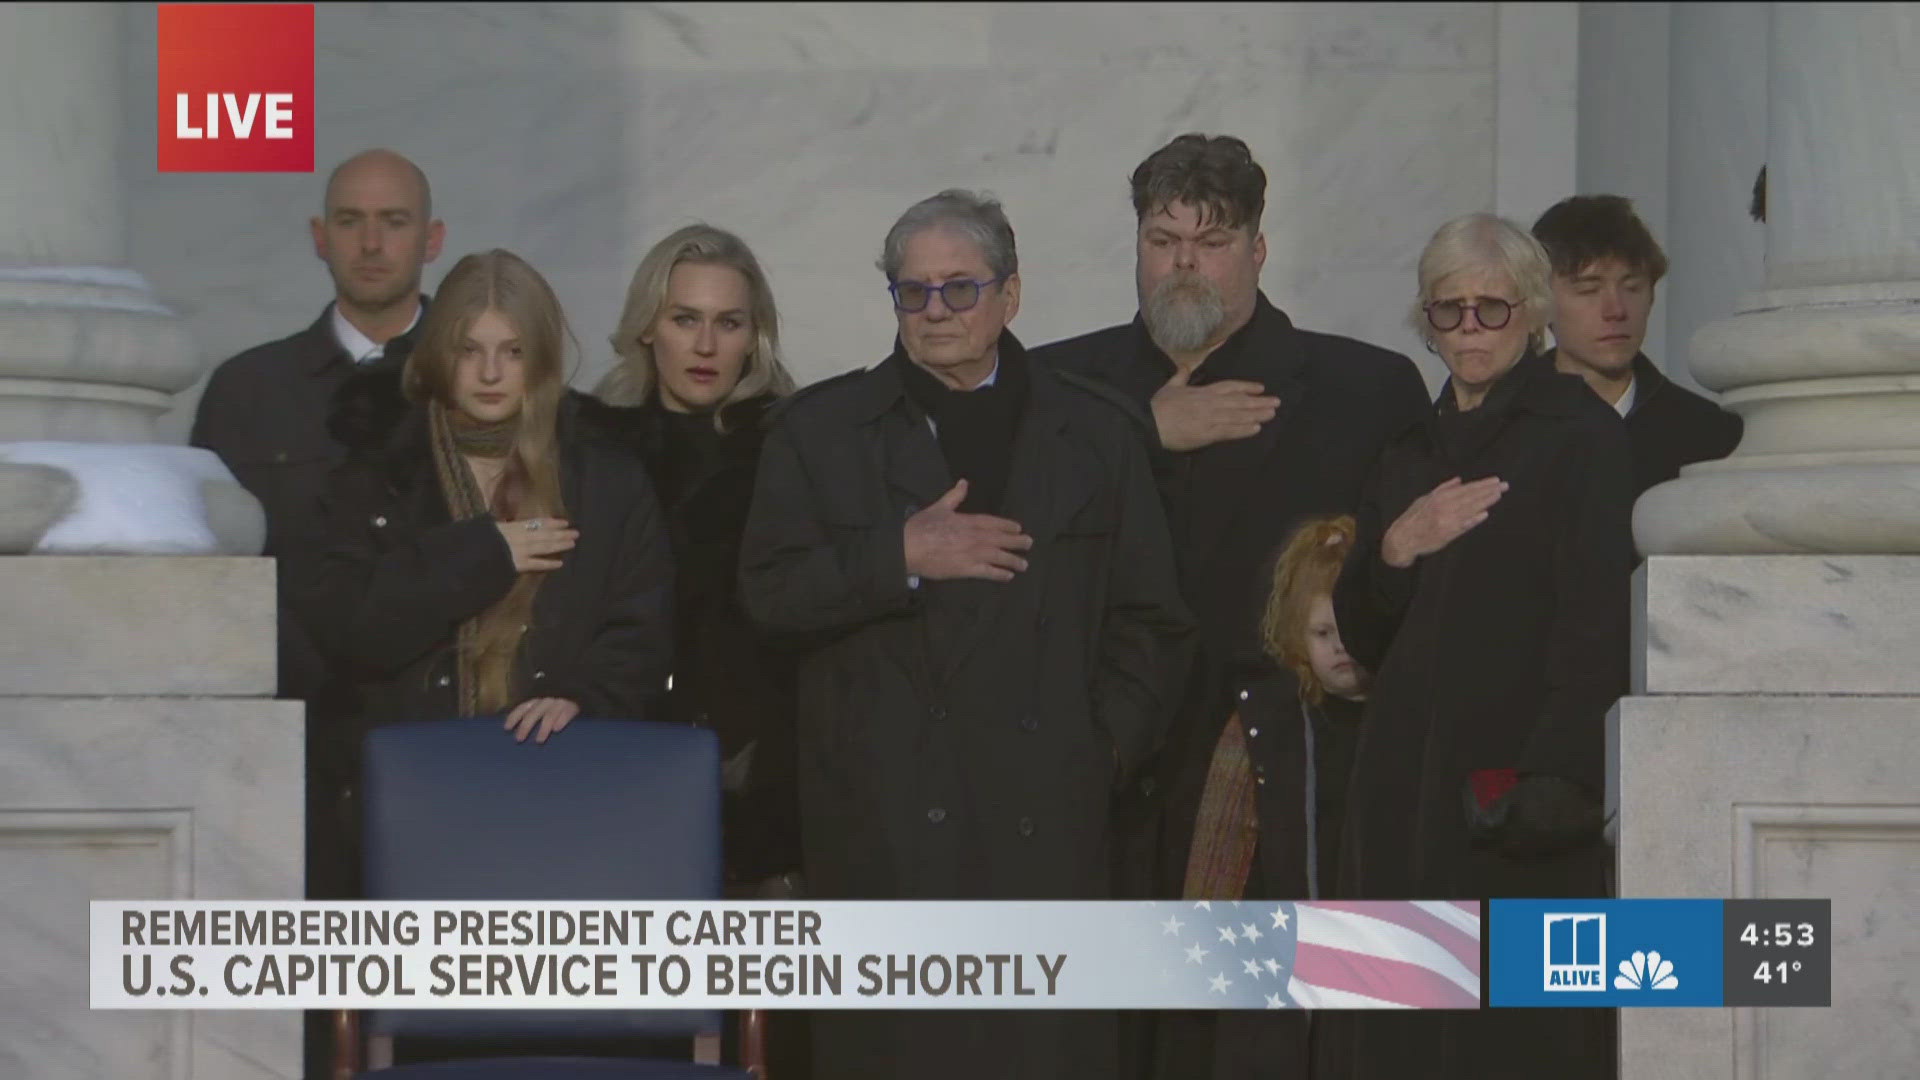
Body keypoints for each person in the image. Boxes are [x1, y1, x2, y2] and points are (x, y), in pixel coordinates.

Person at [738, 189, 1194, 1080]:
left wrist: (1097, 753)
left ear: (1010, 295)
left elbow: (1154, 621)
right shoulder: (819, 433)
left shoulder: (1097, 430)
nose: (936, 310)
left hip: (1046, 821)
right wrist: (897, 555)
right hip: (886, 828)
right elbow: (768, 596)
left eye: (959, 288)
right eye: (914, 292)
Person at [1029, 132, 1427, 1078]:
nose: (1183, 264)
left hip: (1287, 788)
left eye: (1211, 242)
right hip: (1094, 780)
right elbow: (1010, 550)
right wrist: (1141, 431)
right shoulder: (1056, 391)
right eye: (1162, 240)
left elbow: (1396, 602)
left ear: (1257, 249)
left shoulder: (1365, 389)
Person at [1318, 214, 1630, 1080]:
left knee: (1507, 1035)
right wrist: (1395, 550)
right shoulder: (1405, 453)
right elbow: (1361, 637)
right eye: (1447, 310)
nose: (1469, 329)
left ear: (1531, 313)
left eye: (1491, 308)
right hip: (1399, 788)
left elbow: (1597, 627)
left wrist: (1549, 784)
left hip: (1512, 792)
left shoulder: (1581, 438)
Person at [188, 148, 444, 1080]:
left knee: (446, 1015)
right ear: (317, 237)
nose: (371, 242)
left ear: (432, 239)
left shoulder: (480, 379)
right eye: (350, 220)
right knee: (297, 1024)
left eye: (394, 221)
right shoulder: (247, 392)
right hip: (288, 755)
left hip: (445, 742)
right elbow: (213, 578)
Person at [289, 245, 673, 775]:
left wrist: (583, 696)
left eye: (513, 352)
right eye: (469, 350)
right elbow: (345, 631)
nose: (490, 373)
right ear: (439, 353)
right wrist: (479, 554)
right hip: (414, 776)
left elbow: (641, 632)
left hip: (561, 772)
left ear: (541, 356)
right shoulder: (379, 472)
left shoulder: (607, 477)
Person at [576, 223, 809, 1077]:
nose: (707, 345)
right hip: (617, 774)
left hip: (763, 782)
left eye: (729, 322)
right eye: (686, 319)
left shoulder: (795, 446)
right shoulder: (587, 446)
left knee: (763, 1042)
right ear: (649, 326)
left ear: (755, 334)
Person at [1181, 514, 1370, 1079]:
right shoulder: (1263, 724)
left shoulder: (1407, 723)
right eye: (1322, 634)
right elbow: (1217, 856)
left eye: (1348, 631)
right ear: (1295, 636)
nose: (1340, 648)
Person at [1532, 194, 1743, 497]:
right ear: (1540, 303)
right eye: (1589, 290)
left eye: (1632, 288)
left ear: (1652, 296)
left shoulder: (1711, 433)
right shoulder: (1503, 426)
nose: (1615, 310)